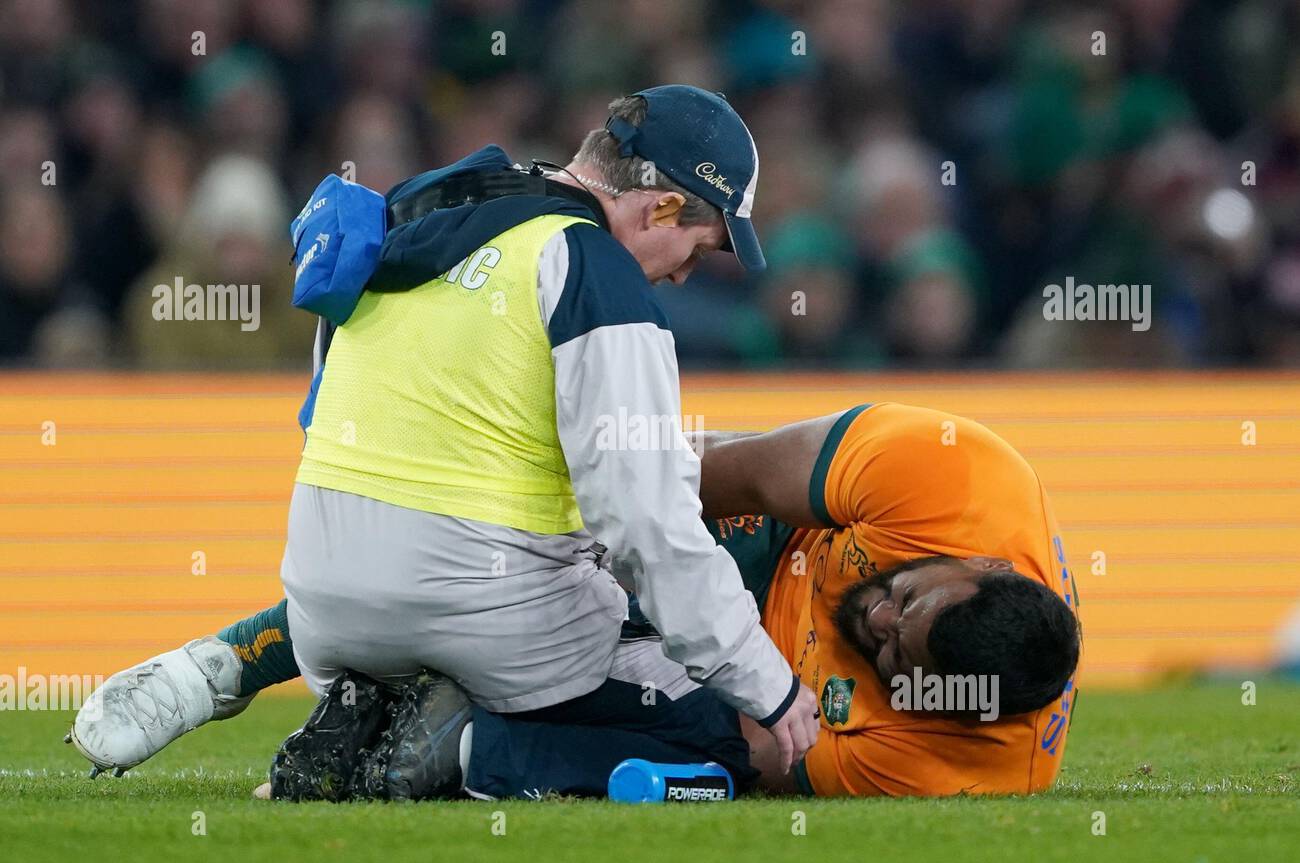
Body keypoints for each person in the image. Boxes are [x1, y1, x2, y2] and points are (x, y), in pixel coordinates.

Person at [72, 85, 818, 778]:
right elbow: (647, 525)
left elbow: (324, 394)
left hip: (323, 608)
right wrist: (770, 687)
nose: (688, 275)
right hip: (490, 626)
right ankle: (461, 746)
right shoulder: (596, 274)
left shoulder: (416, 206)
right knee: (726, 731)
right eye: (704, 246)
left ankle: (279, 678)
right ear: (661, 208)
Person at [72, 402, 1080, 798]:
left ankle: (443, 744)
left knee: (718, 752)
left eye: (900, 664)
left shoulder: (961, 766)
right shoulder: (960, 479)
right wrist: (566, 520)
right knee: (509, 551)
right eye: (904, 597)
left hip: (760, 690)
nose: (880, 623)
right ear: (982, 563)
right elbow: (718, 470)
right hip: (760, 539)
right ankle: (227, 666)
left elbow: (773, 754)